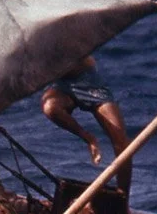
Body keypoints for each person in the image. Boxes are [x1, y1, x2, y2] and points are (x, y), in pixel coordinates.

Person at [40, 56, 132, 196]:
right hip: (62, 84)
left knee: (121, 143)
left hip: (88, 80)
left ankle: (123, 201)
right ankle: (89, 139)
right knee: (50, 108)